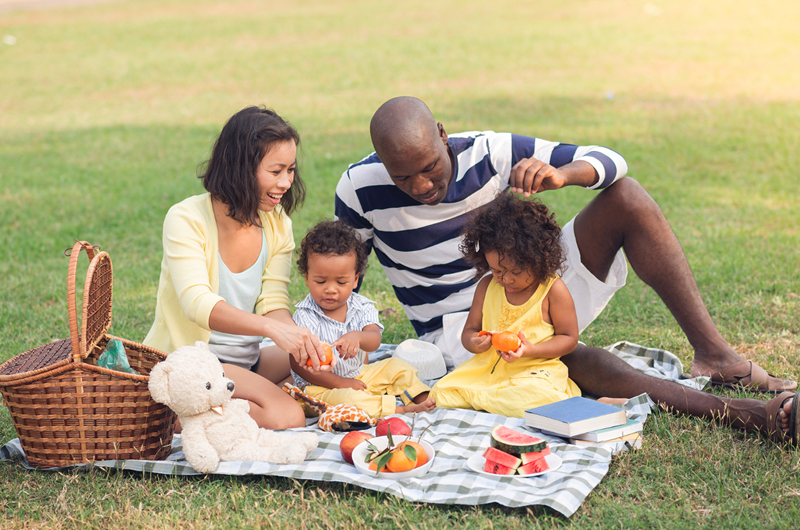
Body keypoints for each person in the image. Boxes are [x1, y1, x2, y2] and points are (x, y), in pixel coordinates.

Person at [335, 96, 799, 445]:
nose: (421, 186)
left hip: (530, 287)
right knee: (576, 362)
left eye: (430, 167)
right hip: (462, 334)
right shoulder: (359, 187)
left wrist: (563, 175)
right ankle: (743, 413)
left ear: (442, 133)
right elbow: (345, 275)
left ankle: (716, 356)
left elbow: (613, 162)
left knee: (627, 196)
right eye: (402, 176)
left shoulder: (490, 152)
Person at [144, 106, 329, 430]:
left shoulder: (277, 224)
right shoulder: (186, 219)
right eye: (276, 171)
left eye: (291, 170)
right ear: (241, 168)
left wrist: (296, 336)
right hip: (194, 365)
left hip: (245, 361)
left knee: (317, 368)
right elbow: (197, 304)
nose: (286, 182)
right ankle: (172, 414)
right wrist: (270, 330)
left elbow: (273, 301)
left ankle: (215, 407)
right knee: (288, 416)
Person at [431, 193, 581, 417]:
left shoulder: (552, 289)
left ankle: (489, 401)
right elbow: (469, 331)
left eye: (516, 272)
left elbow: (569, 339)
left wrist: (531, 350)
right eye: (498, 271)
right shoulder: (487, 286)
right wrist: (474, 342)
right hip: (487, 371)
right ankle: (492, 400)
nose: (506, 279)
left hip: (533, 372)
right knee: (439, 393)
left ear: (538, 260)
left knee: (538, 397)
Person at [288, 219, 436, 417]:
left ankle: (421, 396)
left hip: (360, 375)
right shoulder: (304, 316)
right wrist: (341, 383)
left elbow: (374, 340)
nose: (330, 289)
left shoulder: (362, 306)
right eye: (320, 281)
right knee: (349, 401)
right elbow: (297, 364)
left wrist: (357, 337)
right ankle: (399, 409)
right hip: (321, 389)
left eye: (341, 282)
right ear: (306, 277)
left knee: (397, 366)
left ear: (355, 279)